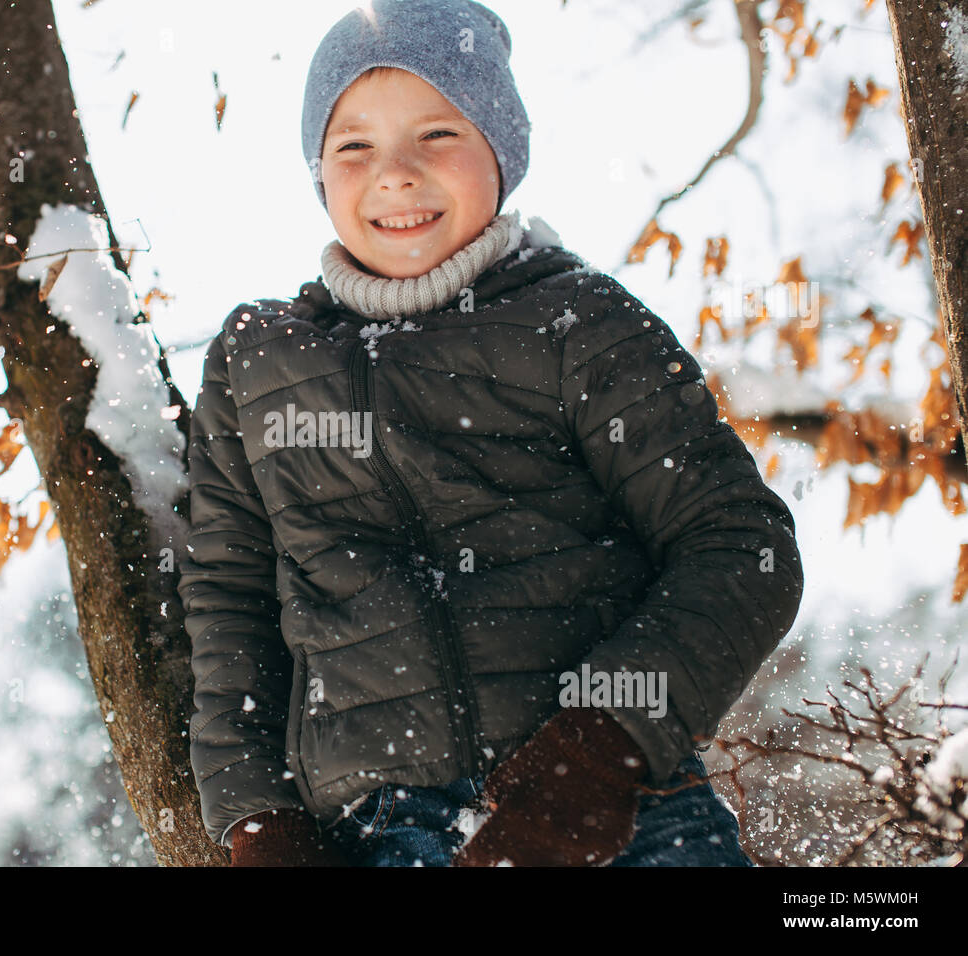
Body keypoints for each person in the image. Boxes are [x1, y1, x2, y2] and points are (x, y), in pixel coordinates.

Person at [177, 0, 804, 867]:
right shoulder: (259, 362)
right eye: (353, 145)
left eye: (436, 134)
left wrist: (597, 753)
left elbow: (741, 545)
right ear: (317, 171)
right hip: (374, 834)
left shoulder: (575, 320)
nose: (393, 175)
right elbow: (227, 604)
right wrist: (258, 824)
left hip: (615, 816)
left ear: (502, 154)